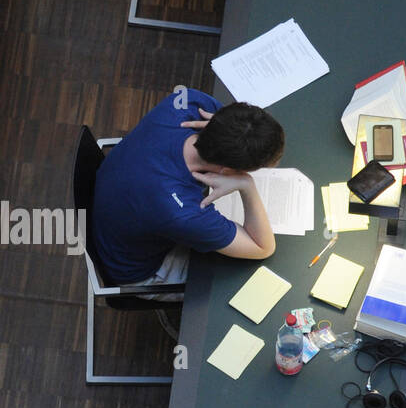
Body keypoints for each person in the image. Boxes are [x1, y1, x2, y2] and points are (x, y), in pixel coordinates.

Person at [91, 86, 285, 297]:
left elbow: (234, 130)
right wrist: (247, 185)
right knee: (244, 284)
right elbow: (262, 247)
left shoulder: (187, 102)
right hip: (138, 271)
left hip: (119, 201)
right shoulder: (183, 212)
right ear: (227, 171)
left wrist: (223, 129)